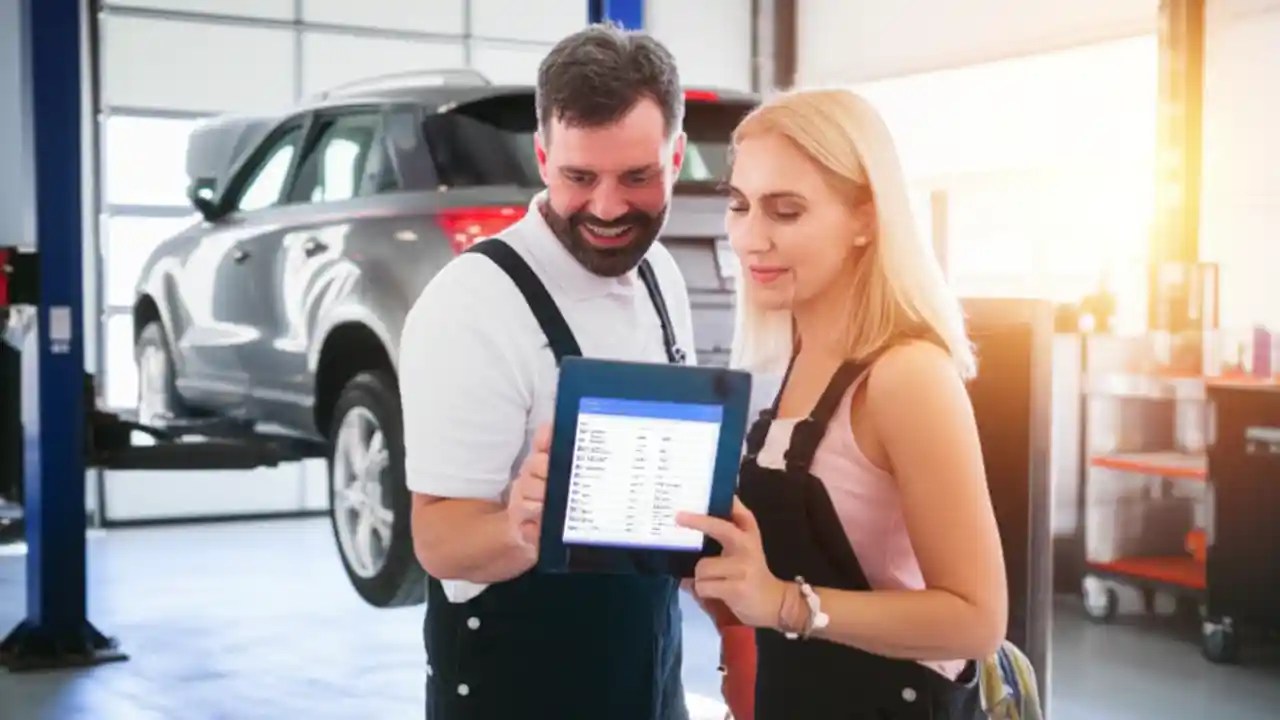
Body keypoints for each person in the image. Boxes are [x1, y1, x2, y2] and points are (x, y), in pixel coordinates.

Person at [676, 88, 1009, 719]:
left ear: (865, 218)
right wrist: (725, 581)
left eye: (786, 211)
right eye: (740, 206)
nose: (751, 238)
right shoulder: (788, 364)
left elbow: (977, 620)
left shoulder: (906, 376)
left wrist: (781, 603)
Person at [399, 23, 697, 720]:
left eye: (637, 176)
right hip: (522, 683)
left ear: (676, 156)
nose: (607, 207)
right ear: (541, 157)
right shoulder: (473, 305)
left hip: (650, 673)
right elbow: (438, 539)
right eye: (579, 176)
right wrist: (518, 529)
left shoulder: (661, 277)